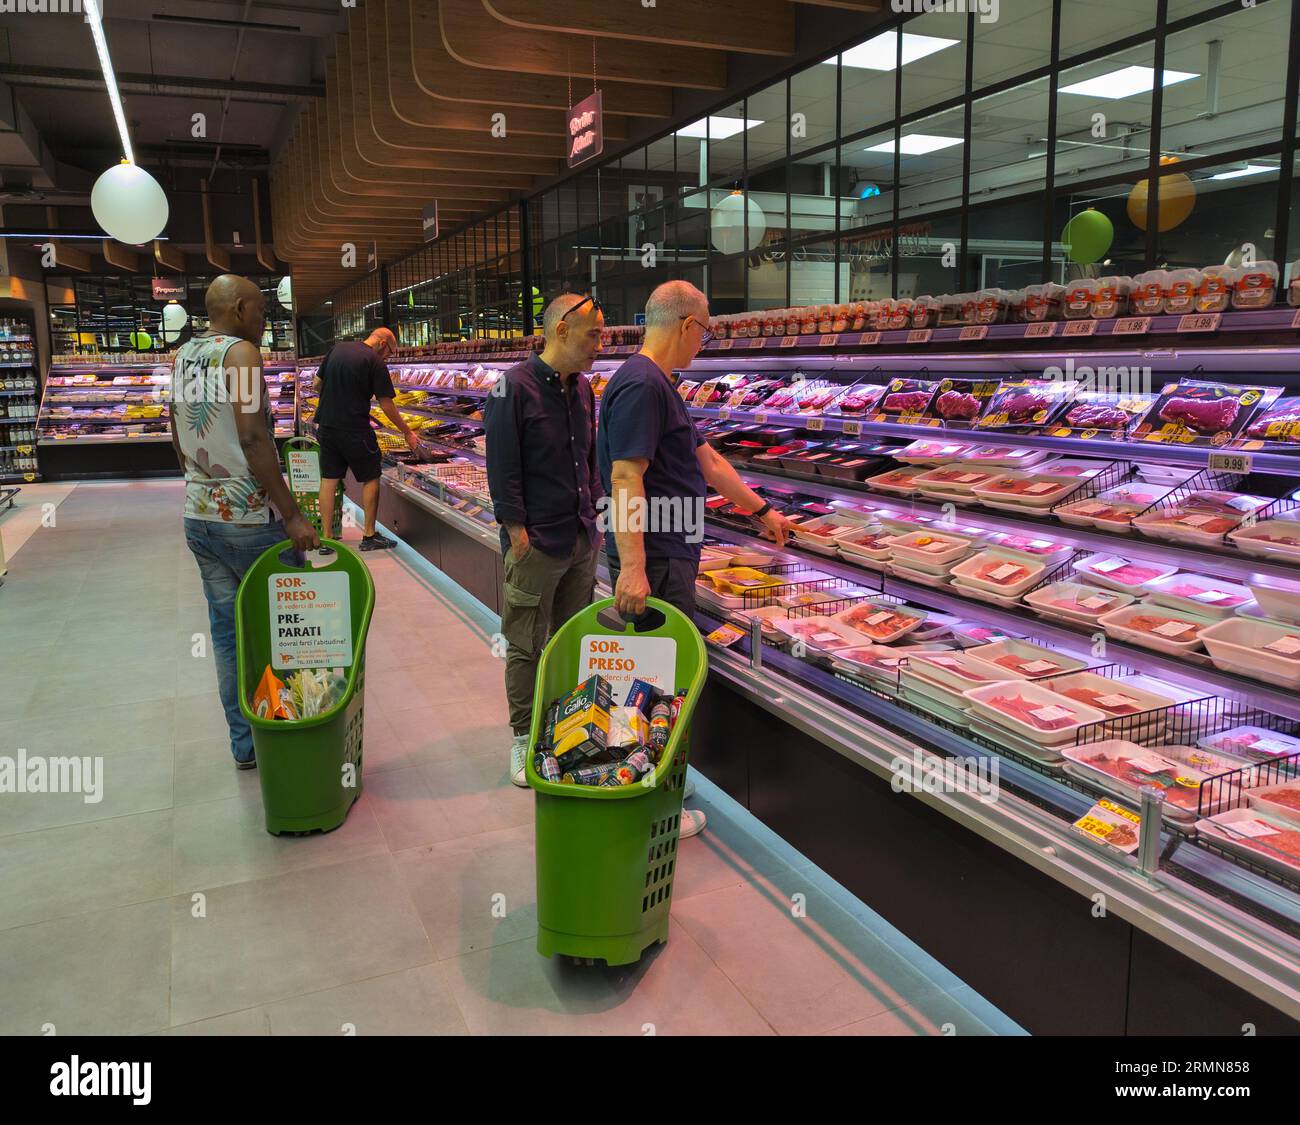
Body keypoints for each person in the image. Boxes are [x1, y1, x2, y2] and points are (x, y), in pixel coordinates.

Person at [597, 280, 792, 837]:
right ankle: (650, 800)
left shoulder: (659, 385)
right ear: (686, 325)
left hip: (666, 553)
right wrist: (632, 568)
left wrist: (761, 512)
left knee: (657, 674)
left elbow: (706, 463)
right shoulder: (641, 386)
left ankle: (647, 783)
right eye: (705, 332)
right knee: (656, 680)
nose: (703, 344)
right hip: (654, 555)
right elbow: (624, 477)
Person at [171, 274, 320, 769]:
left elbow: (175, 429)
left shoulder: (185, 356)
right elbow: (255, 439)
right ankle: (287, 732)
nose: (264, 319)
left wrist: (200, 482)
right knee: (288, 628)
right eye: (259, 310)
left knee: (226, 633)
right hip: (249, 520)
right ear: (237, 308)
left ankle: (246, 746)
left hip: (199, 515)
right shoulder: (240, 354)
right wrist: (293, 514)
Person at [484, 293, 605, 786]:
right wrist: (517, 534)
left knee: (573, 640)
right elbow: (502, 468)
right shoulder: (510, 389)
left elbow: (590, 457)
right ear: (561, 331)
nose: (600, 344)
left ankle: (565, 729)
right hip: (535, 542)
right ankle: (521, 739)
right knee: (525, 643)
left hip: (580, 534)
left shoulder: (584, 390)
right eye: (593, 334)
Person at [315, 327, 418, 550]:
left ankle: (326, 538)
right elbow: (387, 404)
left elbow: (316, 384)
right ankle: (369, 536)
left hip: (326, 425)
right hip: (355, 428)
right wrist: (407, 431)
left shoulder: (337, 349)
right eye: (390, 351)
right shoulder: (374, 361)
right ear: (382, 343)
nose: (388, 356)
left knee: (329, 479)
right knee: (371, 476)